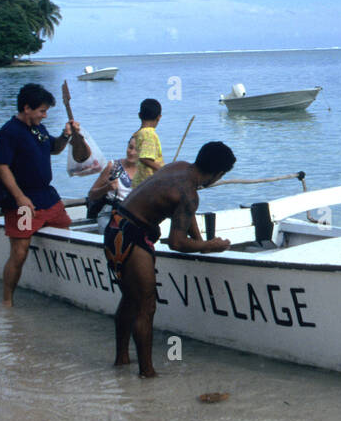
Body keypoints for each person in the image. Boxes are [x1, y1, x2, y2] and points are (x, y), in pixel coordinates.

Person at [104, 141, 236, 377]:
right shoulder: (189, 193)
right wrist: (209, 245)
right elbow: (177, 242)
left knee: (130, 299)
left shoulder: (180, 167)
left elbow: (185, 214)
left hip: (115, 226)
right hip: (132, 236)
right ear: (217, 173)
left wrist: (200, 241)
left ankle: (122, 360)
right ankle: (147, 372)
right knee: (147, 306)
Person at [0, 83, 79, 307]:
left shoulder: (38, 128)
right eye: (42, 110)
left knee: (68, 238)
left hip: (48, 197)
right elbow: (1, 167)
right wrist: (20, 197)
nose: (45, 114)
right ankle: (7, 300)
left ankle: (64, 290)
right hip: (21, 202)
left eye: (46, 110)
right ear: (26, 108)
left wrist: (65, 135)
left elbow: (55, 148)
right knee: (19, 253)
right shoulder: (8, 133)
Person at [86, 134, 138, 232]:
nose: (131, 152)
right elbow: (91, 194)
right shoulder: (113, 166)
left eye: (137, 150)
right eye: (130, 147)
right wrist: (106, 188)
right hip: (110, 214)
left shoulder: (147, 172)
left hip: (134, 215)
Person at [130, 98, 164, 187]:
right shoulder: (149, 134)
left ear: (140, 115)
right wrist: (163, 171)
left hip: (141, 182)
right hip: (149, 184)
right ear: (159, 117)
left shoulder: (139, 133)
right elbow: (145, 158)